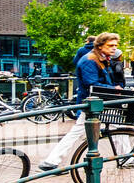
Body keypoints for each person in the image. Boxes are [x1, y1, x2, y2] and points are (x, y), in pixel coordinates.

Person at [40, 32, 123, 171]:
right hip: (92, 102)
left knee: (116, 127)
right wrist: (114, 88)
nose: (114, 48)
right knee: (78, 131)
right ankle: (51, 161)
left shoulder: (100, 58)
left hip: (99, 101)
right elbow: (91, 84)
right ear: (100, 45)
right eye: (110, 45)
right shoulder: (90, 60)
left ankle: (126, 157)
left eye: (115, 45)